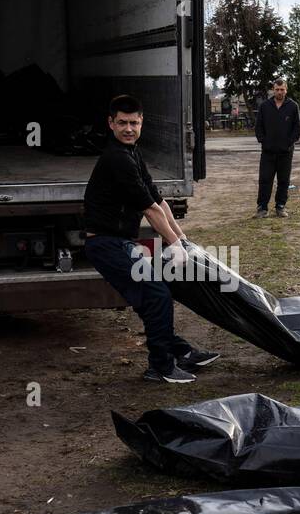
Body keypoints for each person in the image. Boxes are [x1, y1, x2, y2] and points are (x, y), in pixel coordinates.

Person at [83, 95, 220, 383]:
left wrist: (182, 240)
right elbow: (148, 210)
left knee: (150, 299)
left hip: (120, 242)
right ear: (111, 123)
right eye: (122, 123)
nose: (129, 128)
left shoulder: (133, 152)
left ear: (142, 123)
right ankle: (160, 367)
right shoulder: (117, 159)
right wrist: (173, 243)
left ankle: (179, 352)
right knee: (157, 294)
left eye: (134, 123)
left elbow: (158, 202)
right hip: (105, 245)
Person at [253, 78, 300, 218]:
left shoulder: (293, 106)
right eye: (277, 89)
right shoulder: (265, 106)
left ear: (286, 90)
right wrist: (264, 141)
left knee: (283, 180)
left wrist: (289, 144)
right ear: (273, 90)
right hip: (268, 152)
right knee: (265, 180)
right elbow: (258, 127)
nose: (279, 92)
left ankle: (280, 206)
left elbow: (297, 129)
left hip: (285, 152)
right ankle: (262, 208)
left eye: (282, 89)